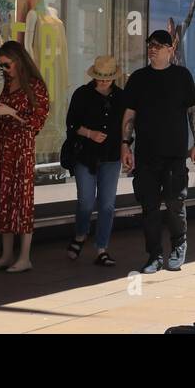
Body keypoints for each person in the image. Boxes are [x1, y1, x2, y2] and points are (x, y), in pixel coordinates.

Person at [121, 30, 195, 274]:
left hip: (175, 153)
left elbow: (193, 112)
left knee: (175, 202)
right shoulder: (138, 78)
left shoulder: (181, 76)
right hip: (146, 153)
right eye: (150, 45)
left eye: (159, 45)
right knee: (149, 207)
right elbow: (129, 115)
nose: (153, 49)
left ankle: (179, 245)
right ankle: (154, 255)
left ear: (171, 50)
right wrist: (125, 144)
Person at [0, 41, 50, 272]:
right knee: (4, 200)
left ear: (18, 61)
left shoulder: (36, 86)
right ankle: (7, 255)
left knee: (22, 201)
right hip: (3, 147)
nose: (4, 69)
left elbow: (37, 121)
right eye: (0, 65)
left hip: (21, 149)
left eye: (6, 65)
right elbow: (5, 115)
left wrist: (11, 112)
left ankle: (24, 257)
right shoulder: (9, 84)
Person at [65, 55, 127, 267]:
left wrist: (126, 147)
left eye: (107, 78)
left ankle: (102, 248)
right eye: (100, 78)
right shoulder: (82, 94)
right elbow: (71, 124)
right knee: (86, 201)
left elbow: (126, 126)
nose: (103, 82)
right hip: (86, 154)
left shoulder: (121, 97)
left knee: (107, 205)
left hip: (111, 156)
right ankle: (81, 234)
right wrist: (90, 133)